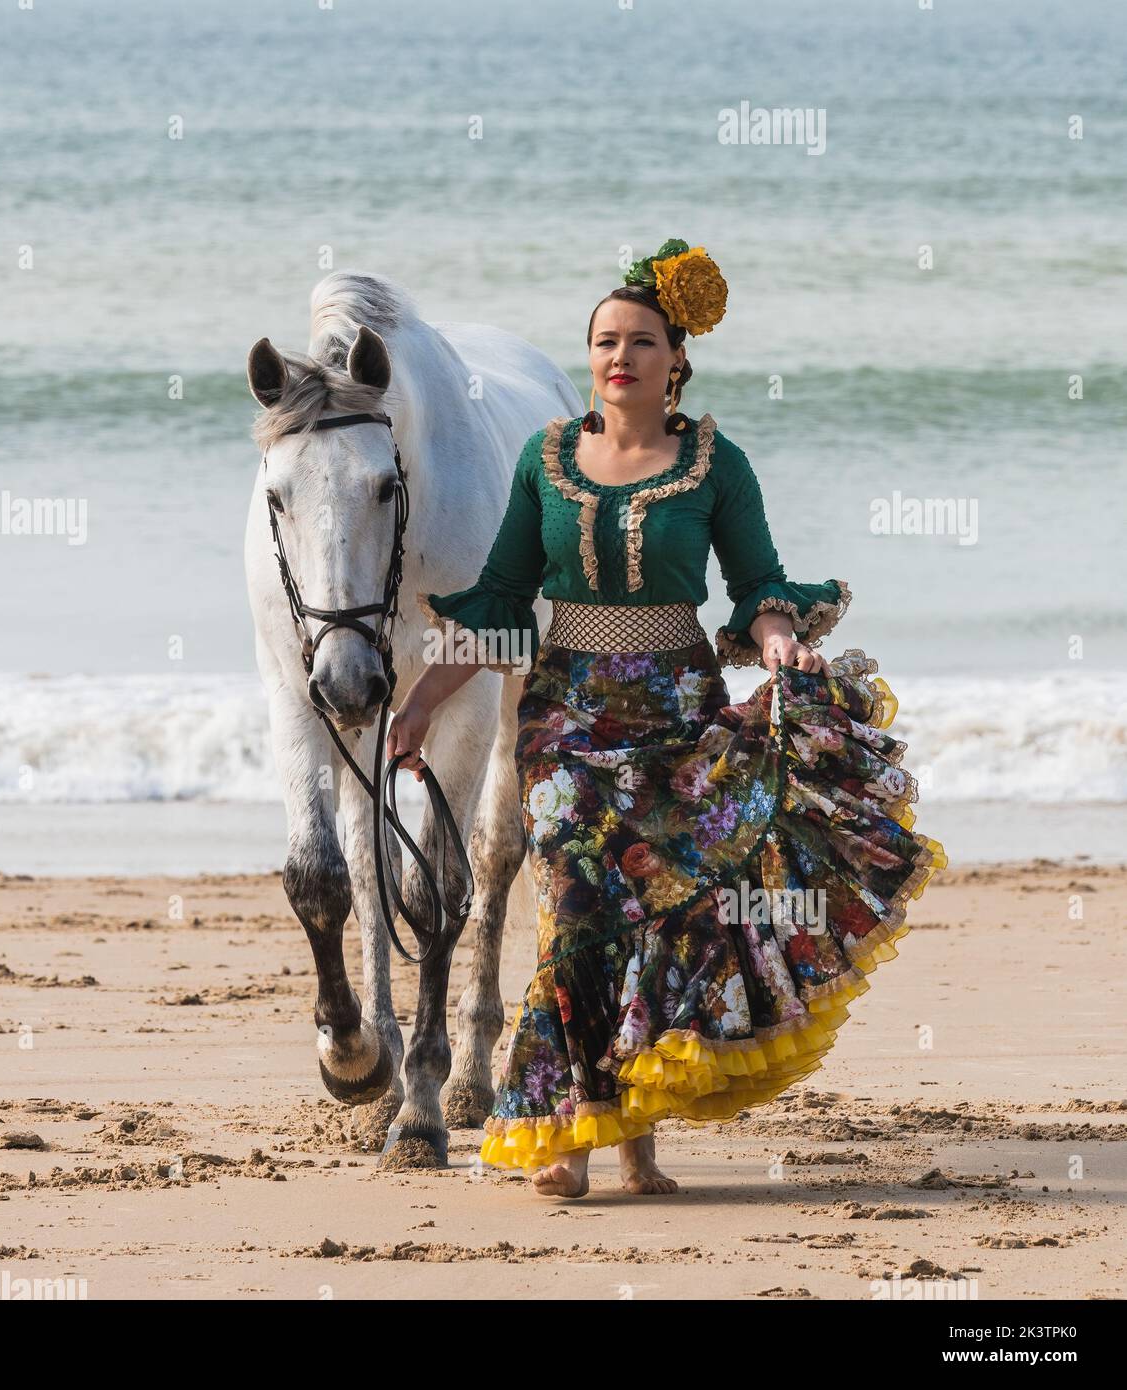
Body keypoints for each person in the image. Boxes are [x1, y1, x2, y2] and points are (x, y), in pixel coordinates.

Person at [387, 238, 947, 1198]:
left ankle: (636, 1134)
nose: (619, 357)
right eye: (604, 341)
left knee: (662, 919)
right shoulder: (546, 459)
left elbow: (760, 585)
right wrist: (419, 706)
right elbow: (502, 599)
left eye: (640, 341)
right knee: (572, 910)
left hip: (680, 713)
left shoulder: (715, 464)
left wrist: (778, 644)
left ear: (675, 359)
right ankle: (566, 1135)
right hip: (565, 717)